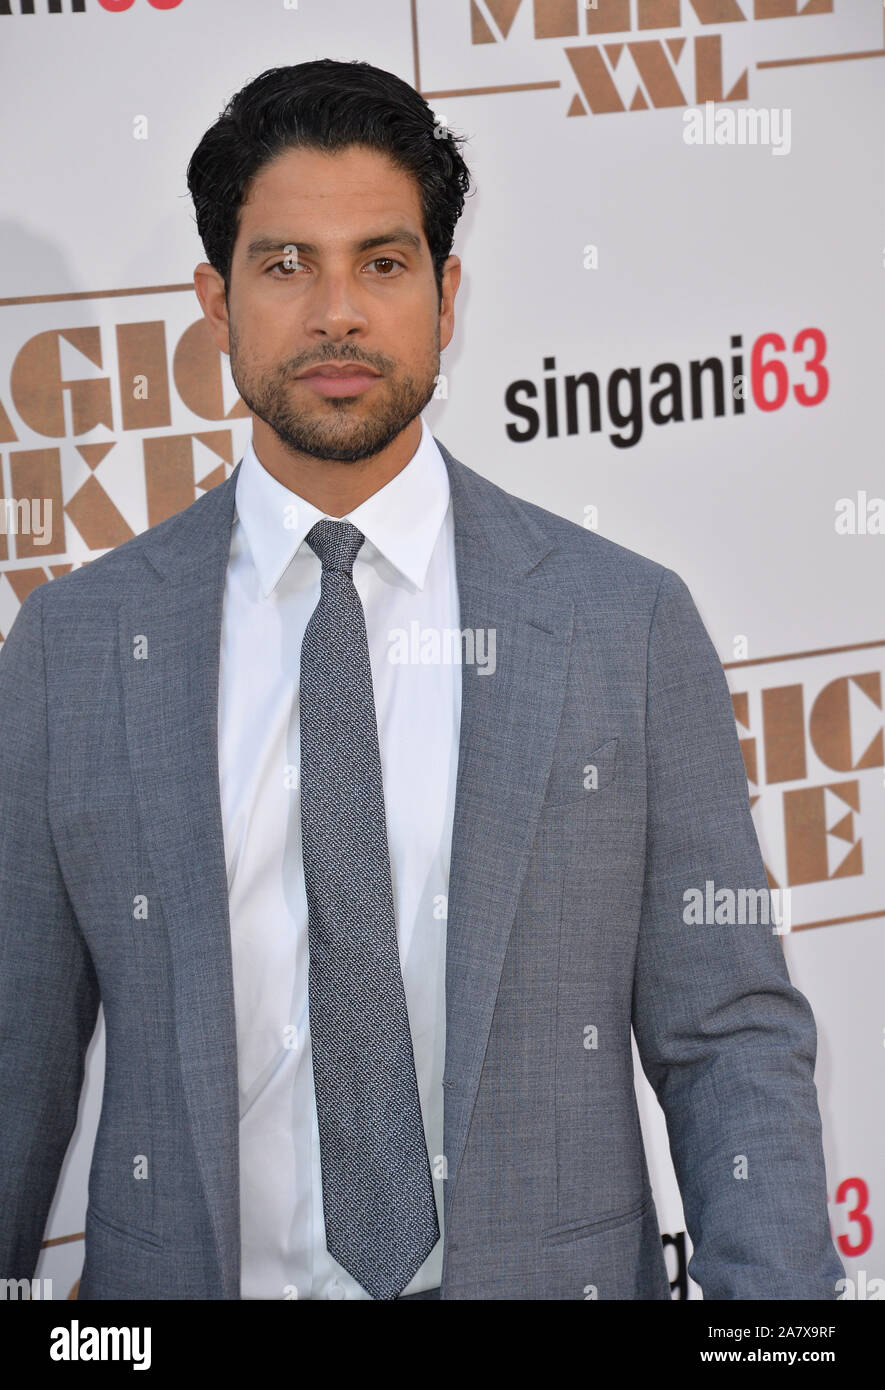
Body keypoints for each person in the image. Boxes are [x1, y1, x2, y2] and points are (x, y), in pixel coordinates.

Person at [0, 59, 843, 1301]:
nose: (336, 311)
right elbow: (17, 1062)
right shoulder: (75, 646)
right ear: (213, 301)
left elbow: (728, 1037)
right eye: (286, 265)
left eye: (382, 264)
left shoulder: (622, 621)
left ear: (447, 296)